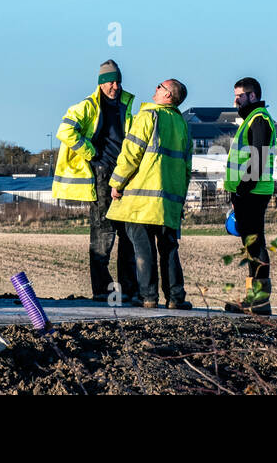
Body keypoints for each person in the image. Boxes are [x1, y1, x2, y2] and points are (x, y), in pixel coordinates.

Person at [53, 59, 139, 300]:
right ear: (101, 84)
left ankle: (129, 289)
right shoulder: (88, 106)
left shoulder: (126, 106)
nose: (115, 86)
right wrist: (92, 154)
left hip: (123, 175)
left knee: (128, 233)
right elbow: (65, 131)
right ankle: (102, 290)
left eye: (118, 81)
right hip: (101, 175)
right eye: (111, 82)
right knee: (103, 232)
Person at [107, 79, 193, 310]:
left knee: (143, 250)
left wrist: (116, 182)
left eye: (159, 87)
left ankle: (149, 297)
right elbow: (187, 166)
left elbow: (131, 153)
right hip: (168, 202)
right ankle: (176, 298)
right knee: (169, 250)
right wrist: (181, 198)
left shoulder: (148, 116)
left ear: (168, 96)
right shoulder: (181, 123)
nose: (155, 88)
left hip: (141, 201)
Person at [223, 76, 277, 315]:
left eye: (240, 95)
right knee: (252, 246)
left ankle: (259, 302)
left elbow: (258, 157)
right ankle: (254, 299)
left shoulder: (259, 120)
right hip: (249, 191)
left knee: (255, 246)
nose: (236, 100)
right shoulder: (252, 120)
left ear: (252, 96)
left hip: (252, 192)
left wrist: (242, 190)